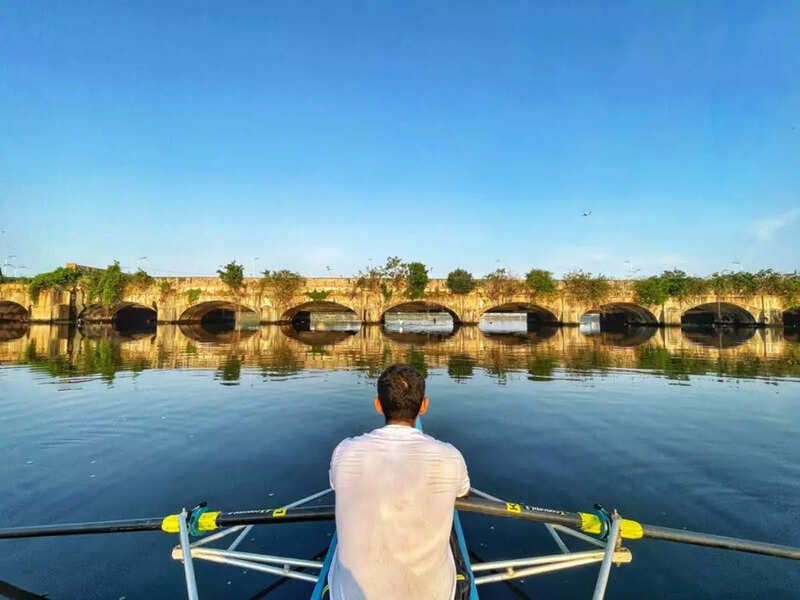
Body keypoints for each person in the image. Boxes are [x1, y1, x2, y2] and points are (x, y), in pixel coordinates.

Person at [328, 364, 470, 600]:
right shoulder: (449, 455)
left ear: (378, 405)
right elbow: (463, 492)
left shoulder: (345, 451)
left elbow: (335, 484)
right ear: (424, 405)